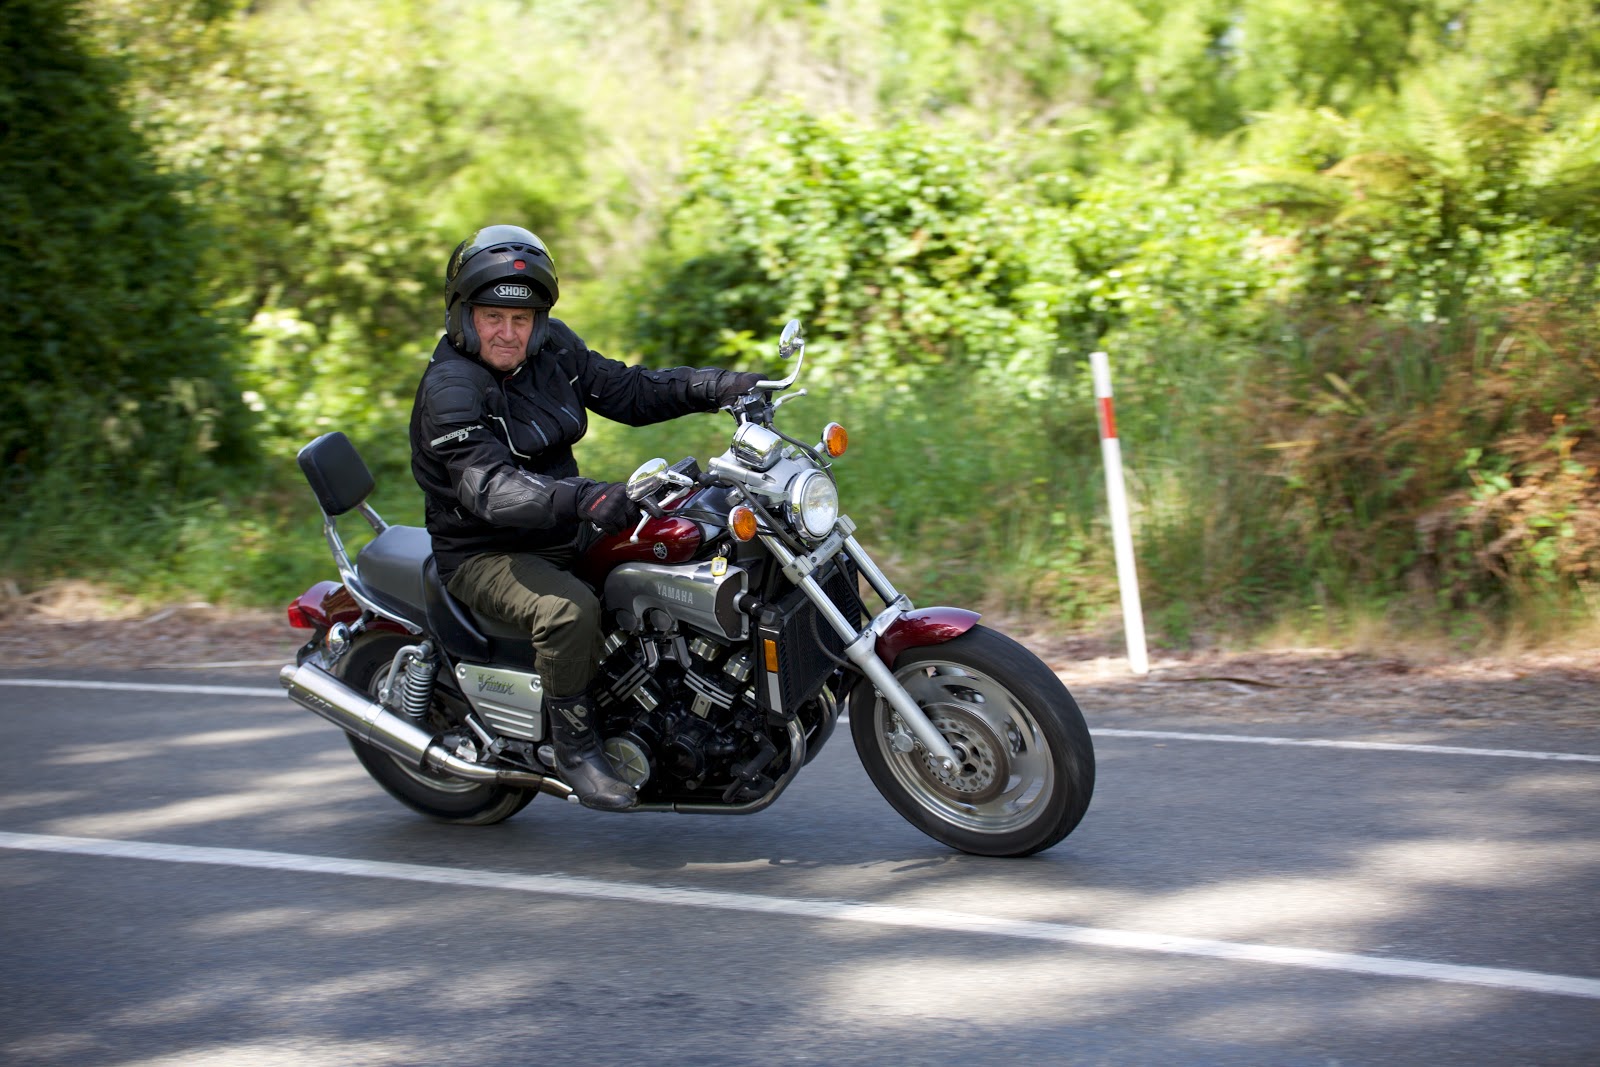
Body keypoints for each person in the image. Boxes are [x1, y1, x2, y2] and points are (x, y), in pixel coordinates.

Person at [409, 225, 762, 810]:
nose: (507, 332)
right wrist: (582, 497)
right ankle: (577, 751)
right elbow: (490, 489)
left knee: (684, 550)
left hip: (561, 526)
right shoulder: (451, 391)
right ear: (463, 316)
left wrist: (722, 386)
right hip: (486, 550)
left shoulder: (554, 351)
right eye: (492, 317)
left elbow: (629, 391)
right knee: (569, 612)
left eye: (521, 320)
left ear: (539, 321)